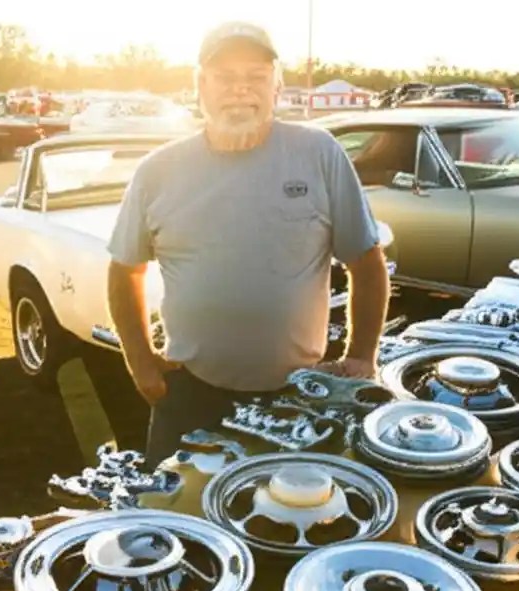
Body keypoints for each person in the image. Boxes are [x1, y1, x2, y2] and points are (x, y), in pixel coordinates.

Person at [106, 20, 391, 469]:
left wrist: (361, 354)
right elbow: (125, 270)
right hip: (190, 394)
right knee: (175, 522)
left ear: (277, 87)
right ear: (200, 87)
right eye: (224, 78)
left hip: (300, 396)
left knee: (296, 520)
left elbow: (366, 259)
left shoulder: (318, 153)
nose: (240, 90)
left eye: (255, 77)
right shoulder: (157, 170)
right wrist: (139, 362)